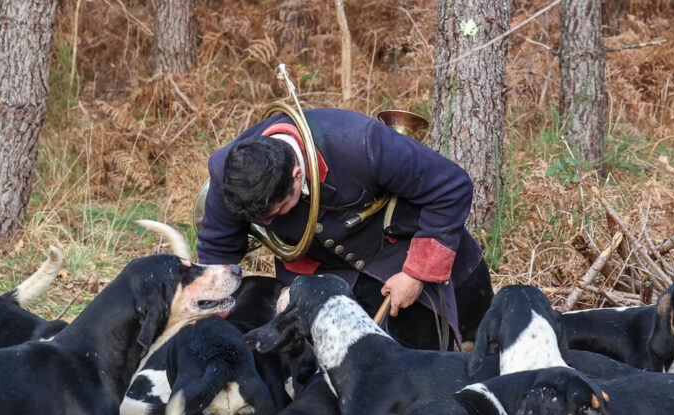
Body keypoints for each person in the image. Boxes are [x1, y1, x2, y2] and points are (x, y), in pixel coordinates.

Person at [196, 107, 492, 351]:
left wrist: (416, 273)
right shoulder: (226, 175)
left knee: (416, 358)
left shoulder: (360, 142)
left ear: (296, 175)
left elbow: (451, 187)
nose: (270, 225)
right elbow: (217, 251)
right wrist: (211, 326)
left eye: (279, 211)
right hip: (317, 273)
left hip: (395, 251)